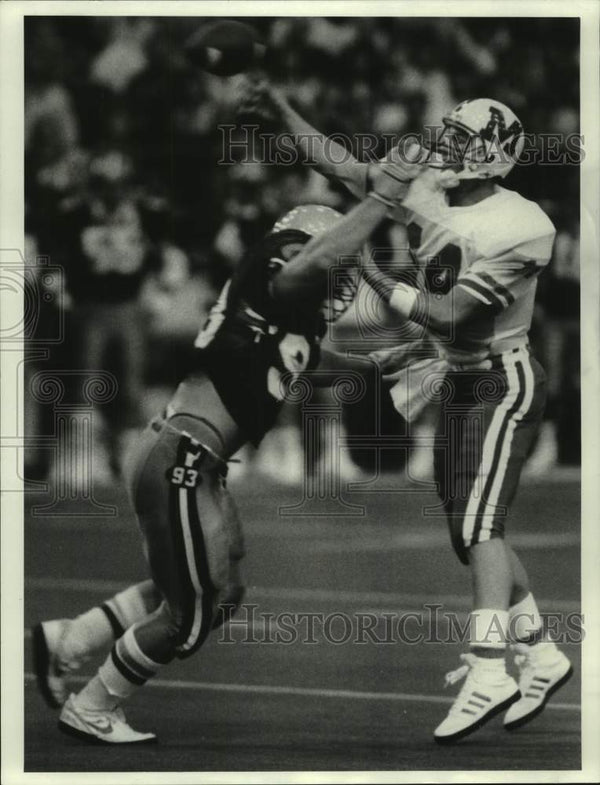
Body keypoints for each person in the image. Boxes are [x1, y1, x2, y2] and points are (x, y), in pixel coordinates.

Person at [32, 155, 422, 743]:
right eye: (334, 266)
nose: (341, 283)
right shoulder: (281, 275)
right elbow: (310, 266)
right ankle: (93, 705)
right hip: (182, 458)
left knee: (222, 591)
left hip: (191, 460)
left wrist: (379, 358)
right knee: (190, 616)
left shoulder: (278, 312)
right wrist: (381, 201)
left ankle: (71, 639)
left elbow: (298, 355)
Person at [242, 84, 574, 743]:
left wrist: (366, 267)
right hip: (454, 374)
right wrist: (283, 113)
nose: (444, 146)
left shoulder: (524, 224)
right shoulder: (428, 189)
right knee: (467, 531)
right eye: (447, 134)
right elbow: (338, 163)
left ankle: (490, 667)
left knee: (481, 524)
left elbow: (450, 312)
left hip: (502, 378)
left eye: (460, 140)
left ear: (492, 157)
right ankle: (541, 650)